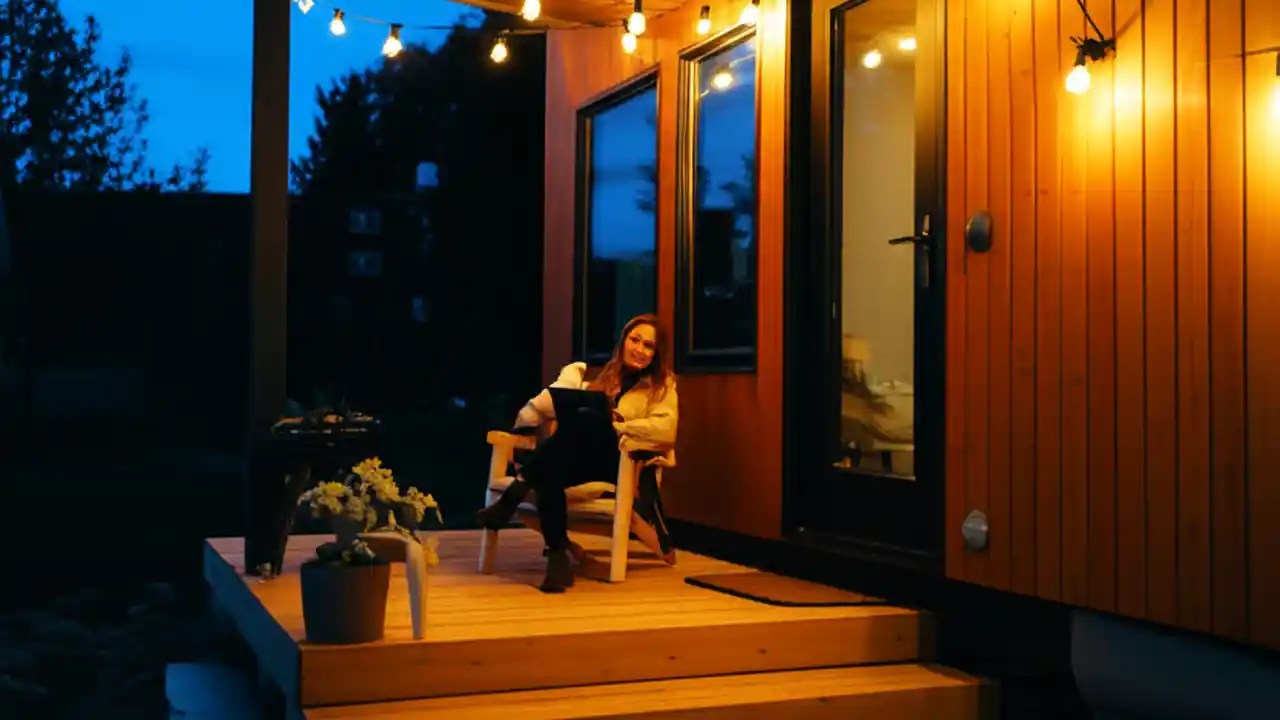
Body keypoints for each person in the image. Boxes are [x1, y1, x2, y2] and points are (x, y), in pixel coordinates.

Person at [476, 314, 679, 593]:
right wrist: (520, 430)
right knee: (552, 469)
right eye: (634, 340)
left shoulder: (662, 386)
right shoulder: (605, 377)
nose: (639, 349)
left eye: (648, 345)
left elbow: (665, 430)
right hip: (581, 459)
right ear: (623, 341)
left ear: (656, 354)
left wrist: (620, 424)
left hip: (619, 463)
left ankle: (517, 492)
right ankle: (557, 557)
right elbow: (539, 408)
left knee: (587, 416)